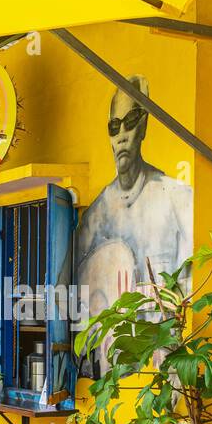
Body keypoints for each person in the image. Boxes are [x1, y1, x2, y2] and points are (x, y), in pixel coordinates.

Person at [76, 75, 194, 332]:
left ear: (143, 125)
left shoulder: (177, 199)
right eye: (114, 126)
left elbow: (190, 291)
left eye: (129, 122)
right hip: (111, 360)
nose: (121, 136)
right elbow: (79, 299)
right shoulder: (94, 217)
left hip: (162, 356)